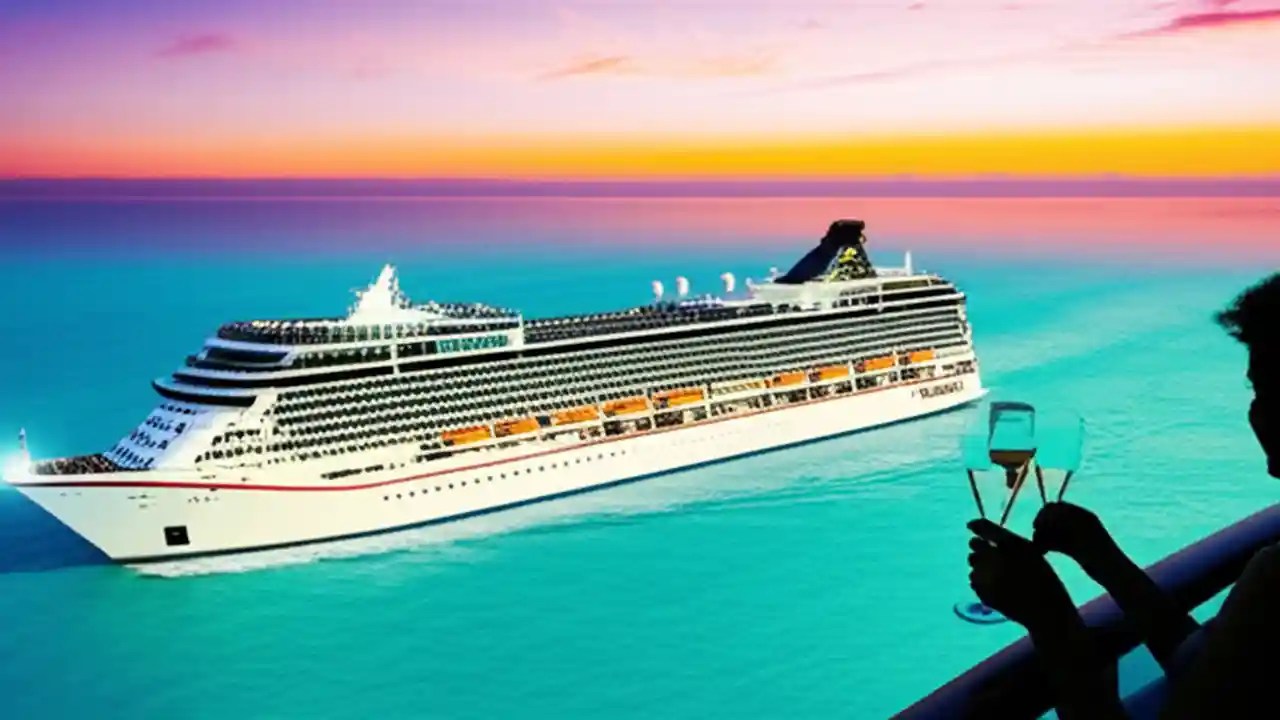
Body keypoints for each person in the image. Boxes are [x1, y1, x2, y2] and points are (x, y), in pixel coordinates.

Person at [966, 272, 1280, 719]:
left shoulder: (1273, 580)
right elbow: (1209, 667)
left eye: (1267, 389)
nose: (1255, 412)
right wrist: (1104, 559)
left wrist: (1051, 620)